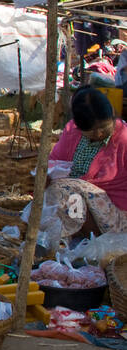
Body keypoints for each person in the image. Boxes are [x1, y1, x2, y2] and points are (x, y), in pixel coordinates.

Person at [46, 86, 127, 238]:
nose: (99, 133)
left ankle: (96, 240)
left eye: (104, 127)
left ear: (113, 116)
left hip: (117, 213)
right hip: (81, 206)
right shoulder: (72, 131)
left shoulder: (124, 139)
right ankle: (82, 235)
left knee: (65, 189)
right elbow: (53, 162)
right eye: (91, 130)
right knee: (54, 189)